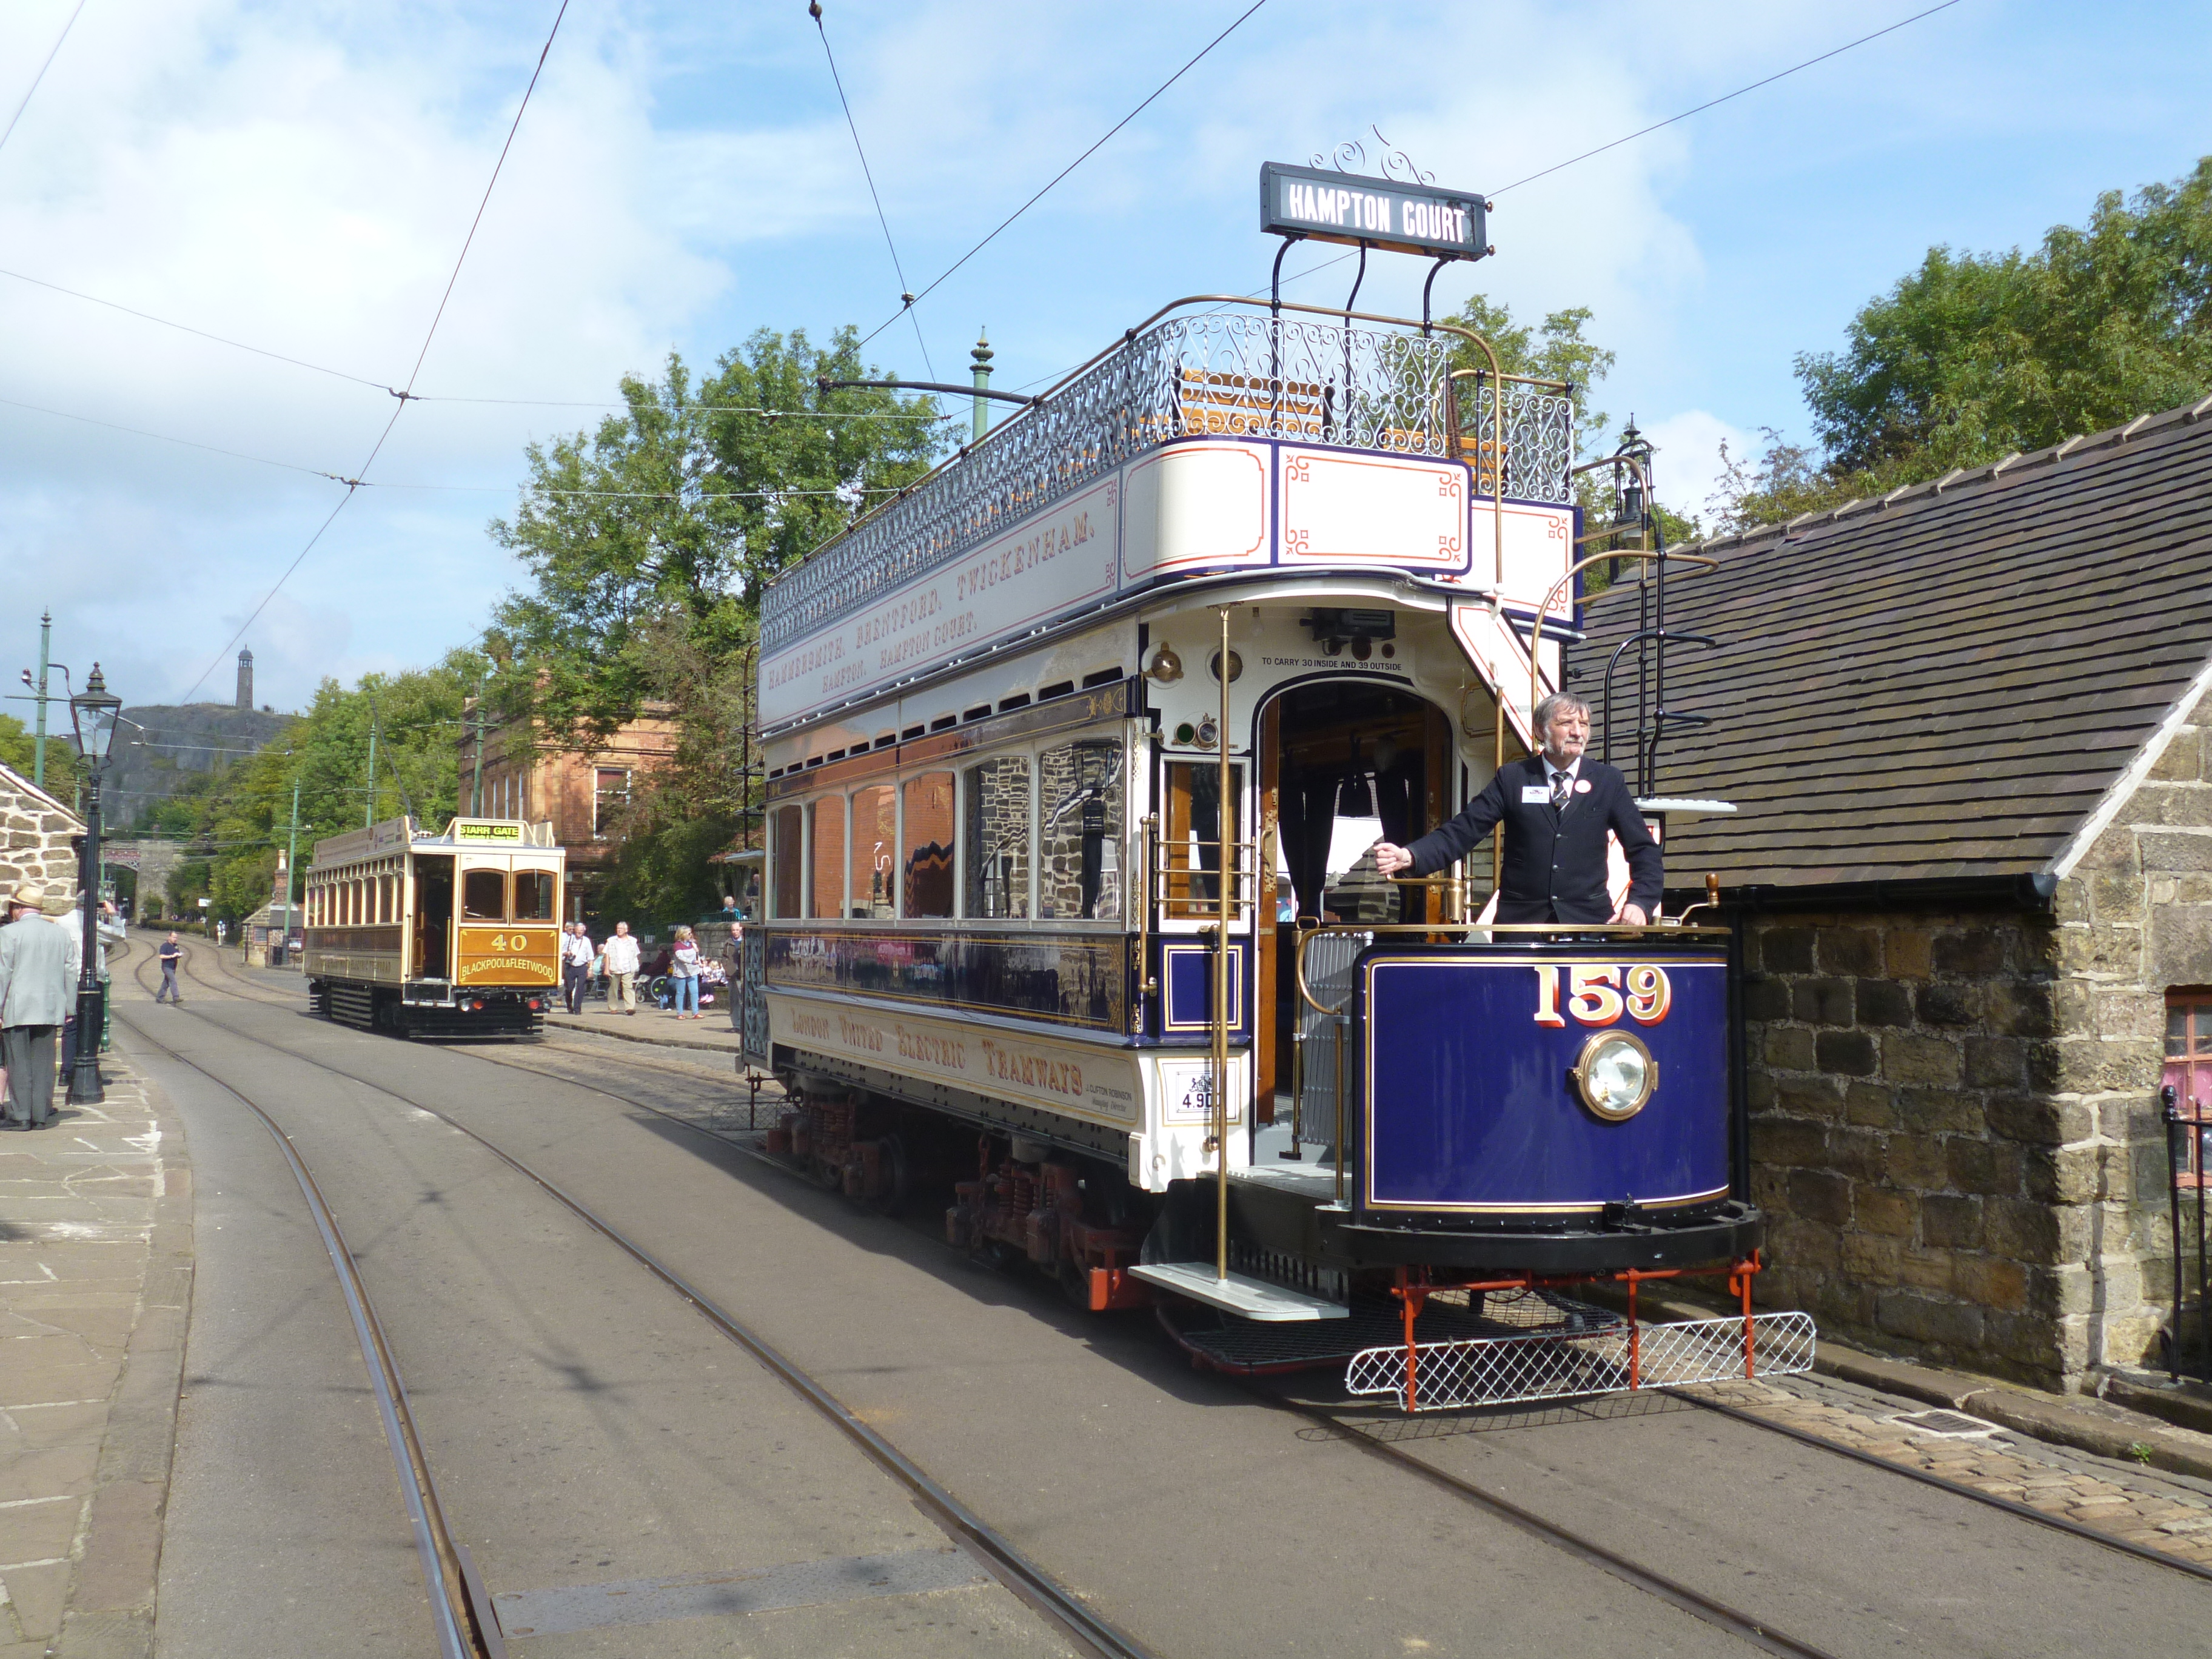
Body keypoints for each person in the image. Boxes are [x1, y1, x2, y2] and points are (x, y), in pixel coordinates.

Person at [1373, 691, 1661, 925]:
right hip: (1521, 928)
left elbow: (1644, 850)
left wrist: (1640, 903)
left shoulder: (1608, 781)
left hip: (1587, 926)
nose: (1577, 733)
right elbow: (1463, 831)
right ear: (1540, 730)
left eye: (1583, 725)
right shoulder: (1513, 778)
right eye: (1566, 724)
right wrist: (1411, 855)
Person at [0, 885, 80, 1129]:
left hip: (18, 1007)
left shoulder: (9, 933)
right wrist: (70, 1008)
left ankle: (21, 1114)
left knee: (18, 1062)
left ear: (19, 909)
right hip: (50, 1007)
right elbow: (70, 972)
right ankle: (41, 1114)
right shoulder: (60, 934)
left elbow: (4, 973)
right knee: (45, 1063)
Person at [601, 922, 641, 1016]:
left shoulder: (632, 941)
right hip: (615, 968)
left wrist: (636, 967)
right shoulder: (611, 941)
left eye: (621, 928)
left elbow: (636, 955)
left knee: (628, 987)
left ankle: (630, 1008)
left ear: (626, 930)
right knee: (613, 988)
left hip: (628, 968)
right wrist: (606, 969)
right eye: (618, 928)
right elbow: (607, 955)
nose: (619, 930)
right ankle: (613, 1007)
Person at [667, 925, 701, 1019]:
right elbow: (681, 958)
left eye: (691, 933)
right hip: (681, 971)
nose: (691, 935)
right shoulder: (677, 945)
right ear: (683, 934)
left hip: (693, 971)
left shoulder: (692, 944)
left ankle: (695, 1012)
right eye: (689, 933)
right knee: (681, 992)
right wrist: (692, 962)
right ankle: (680, 1013)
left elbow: (697, 955)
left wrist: (696, 950)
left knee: (694, 992)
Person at [561, 922, 594, 1016]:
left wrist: (590, 968)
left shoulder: (587, 941)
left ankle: (577, 1008)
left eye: (582, 931)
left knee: (580, 988)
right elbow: (560, 951)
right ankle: (569, 1005)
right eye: (578, 930)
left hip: (582, 967)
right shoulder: (569, 939)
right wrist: (566, 953)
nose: (580, 932)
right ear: (575, 930)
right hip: (570, 966)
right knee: (570, 988)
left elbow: (590, 956)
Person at [156, 932, 184, 1005]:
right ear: (169, 937)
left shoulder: (176, 946)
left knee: (166, 983)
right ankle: (176, 997)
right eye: (174, 937)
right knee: (173, 980)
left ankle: (160, 997)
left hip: (173, 967)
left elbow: (176, 954)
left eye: (176, 938)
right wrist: (172, 956)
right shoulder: (165, 946)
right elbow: (161, 956)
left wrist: (179, 955)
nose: (175, 939)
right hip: (166, 967)